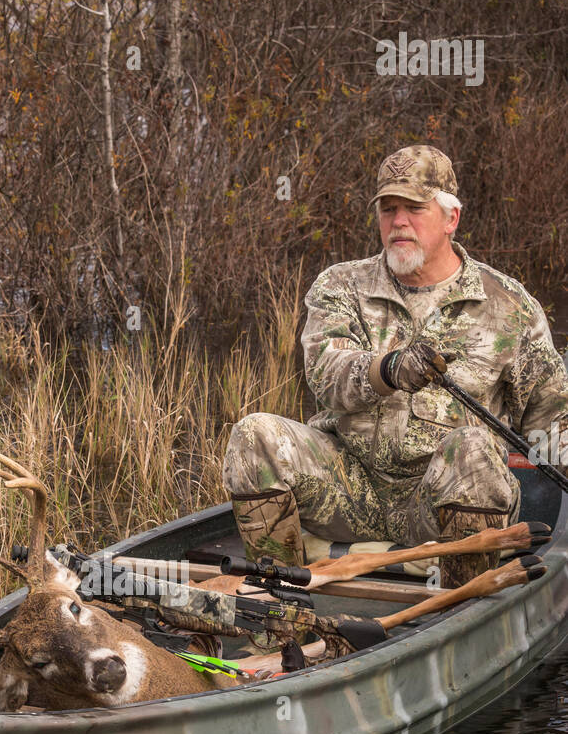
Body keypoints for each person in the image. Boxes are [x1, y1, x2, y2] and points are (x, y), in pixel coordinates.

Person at [222, 145, 568, 586]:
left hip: (442, 503)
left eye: (414, 208)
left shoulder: (509, 305)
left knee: (476, 450)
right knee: (254, 435)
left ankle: (458, 619)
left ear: (450, 218)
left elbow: (550, 423)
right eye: (388, 209)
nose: (398, 221)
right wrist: (389, 370)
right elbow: (326, 376)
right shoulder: (341, 285)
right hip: (348, 491)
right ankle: (281, 614)